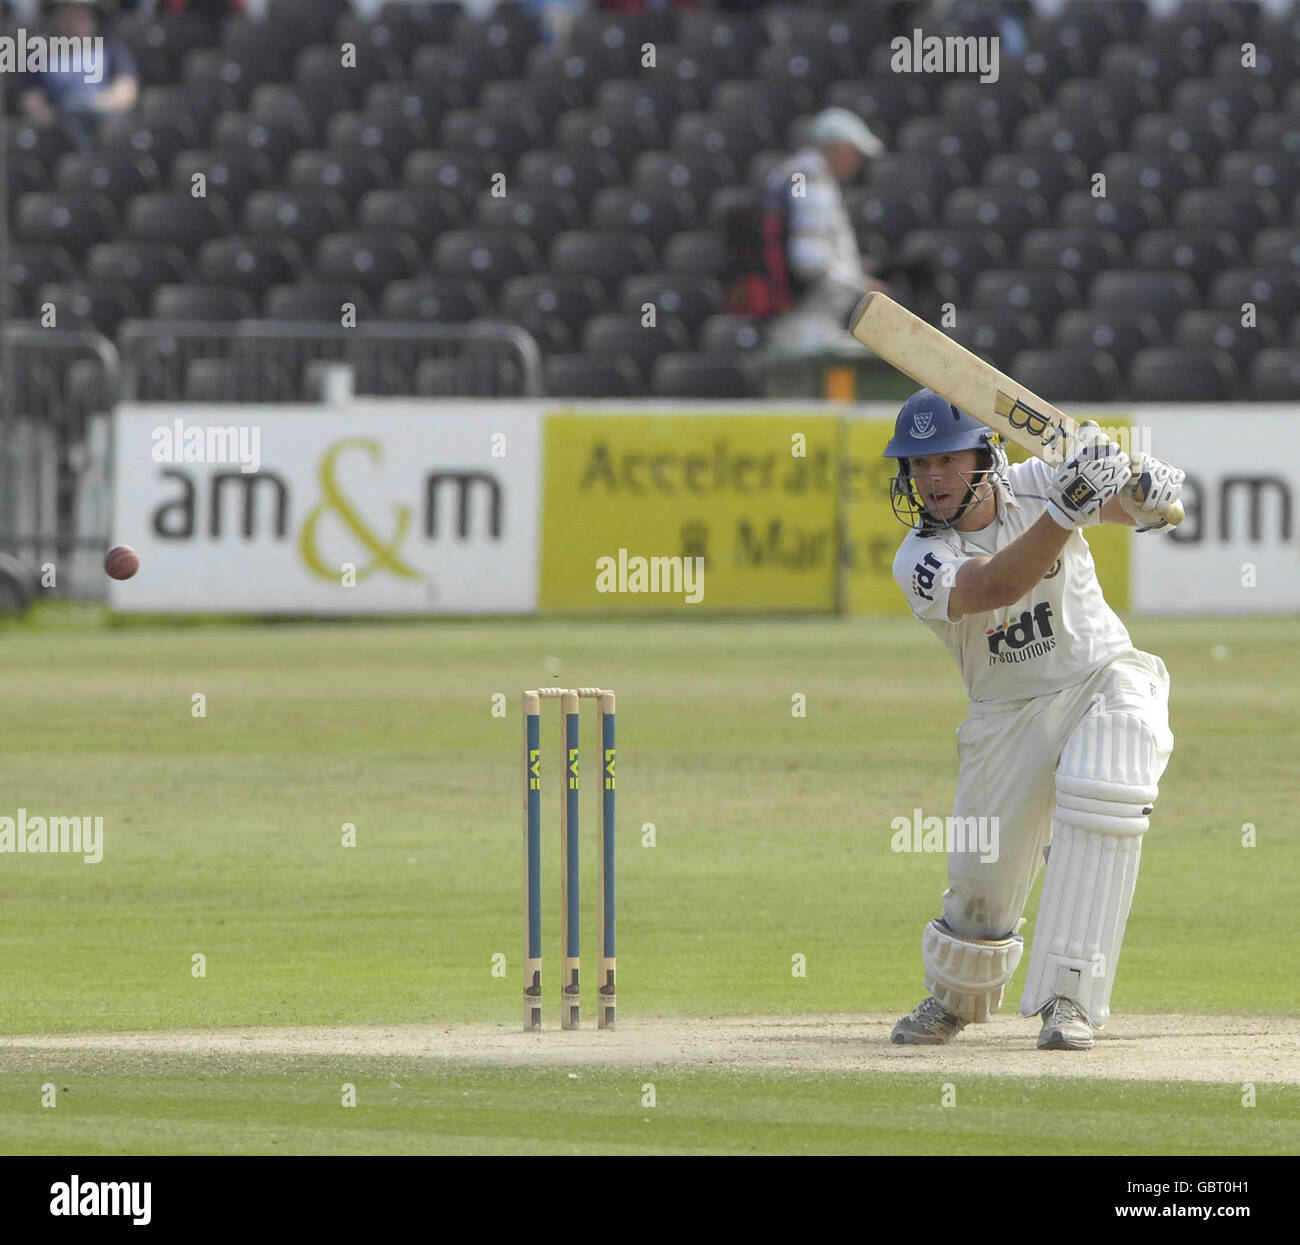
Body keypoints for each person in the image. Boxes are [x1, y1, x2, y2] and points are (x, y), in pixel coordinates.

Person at [882, 390, 1184, 1050]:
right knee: (980, 896)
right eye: (917, 465)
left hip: (1099, 674)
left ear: (984, 455)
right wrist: (1062, 514)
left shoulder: (1037, 480)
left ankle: (1069, 995)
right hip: (1006, 714)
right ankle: (956, 997)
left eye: (945, 460)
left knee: (1111, 772)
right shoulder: (918, 556)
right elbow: (992, 587)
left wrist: (1147, 492)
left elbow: (1126, 504)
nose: (930, 478)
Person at [761, 107, 888, 352]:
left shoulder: (789, 173)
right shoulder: (812, 180)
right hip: (808, 324)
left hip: (796, 320)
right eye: (854, 153)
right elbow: (809, 261)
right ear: (837, 147)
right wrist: (861, 284)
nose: (856, 162)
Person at [19, 0, 138, 149]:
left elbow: (126, 91)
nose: (72, 22)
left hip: (104, 123)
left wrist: (94, 106)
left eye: (79, 15)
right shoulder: (39, 54)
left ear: (92, 18)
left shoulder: (111, 49)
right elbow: (31, 99)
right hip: (60, 130)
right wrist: (56, 119)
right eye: (66, 15)